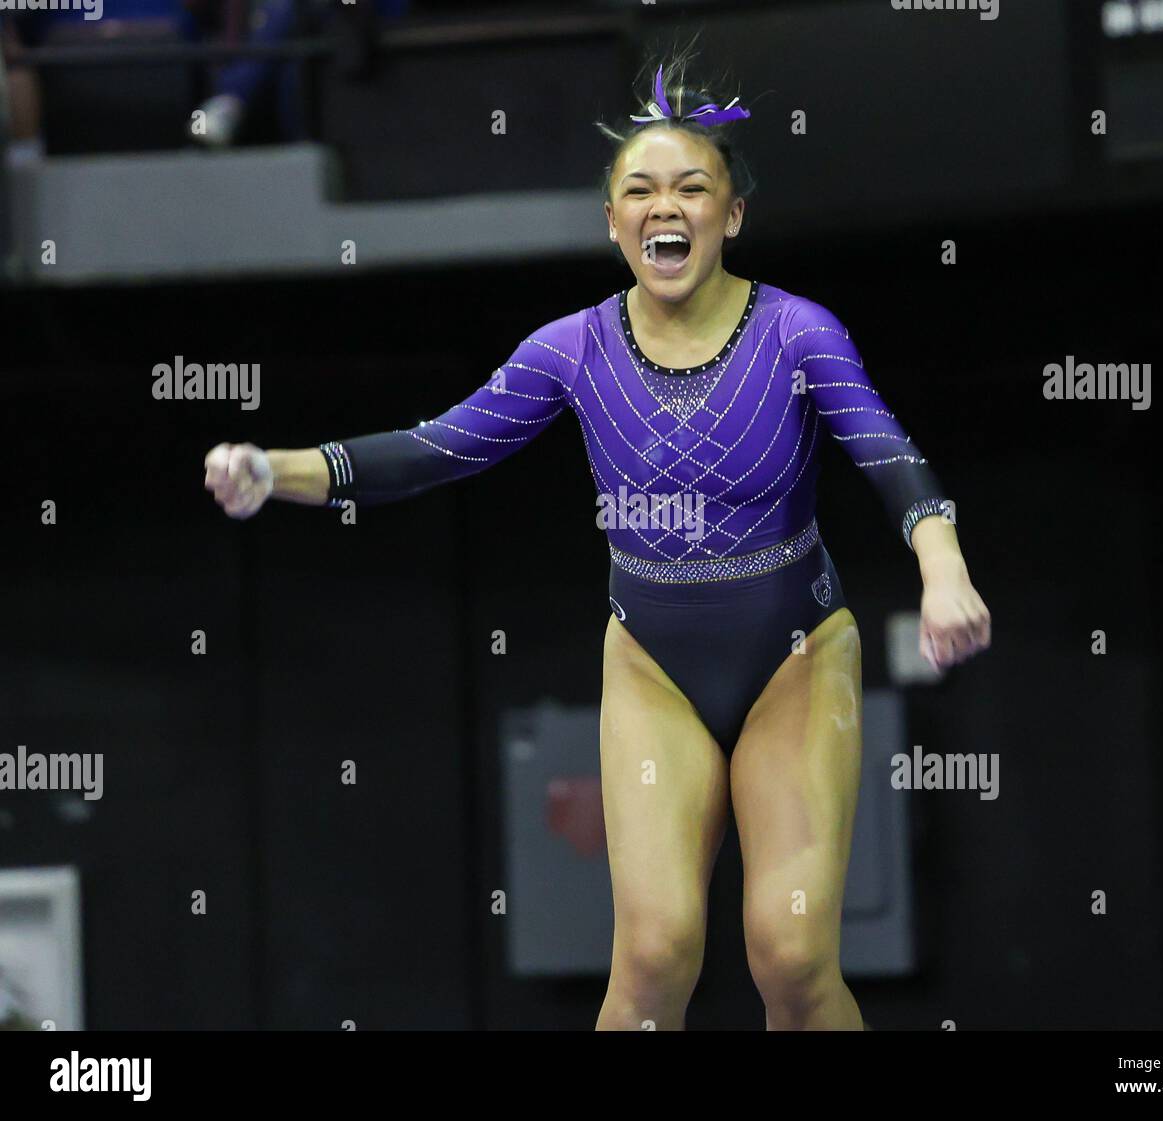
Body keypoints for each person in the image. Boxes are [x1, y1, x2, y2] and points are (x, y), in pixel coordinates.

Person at [204, 46, 991, 1031]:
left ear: (730, 215)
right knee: (655, 954)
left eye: (692, 188)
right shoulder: (568, 350)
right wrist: (274, 468)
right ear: (612, 220)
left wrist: (944, 570)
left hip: (794, 653)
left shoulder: (798, 333)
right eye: (641, 191)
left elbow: (886, 450)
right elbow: (433, 448)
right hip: (654, 663)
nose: (666, 207)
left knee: (789, 955)